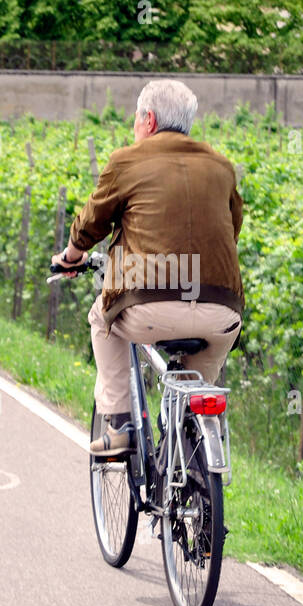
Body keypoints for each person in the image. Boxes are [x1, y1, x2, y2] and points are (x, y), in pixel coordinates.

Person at [52, 79, 244, 456]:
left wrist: (70, 257)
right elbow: (232, 228)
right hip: (222, 313)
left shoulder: (127, 160)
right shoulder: (221, 166)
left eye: (136, 119)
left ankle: (120, 424)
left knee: (101, 319)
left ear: (149, 120)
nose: (134, 126)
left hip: (149, 308)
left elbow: (92, 222)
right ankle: (196, 452)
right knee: (194, 398)